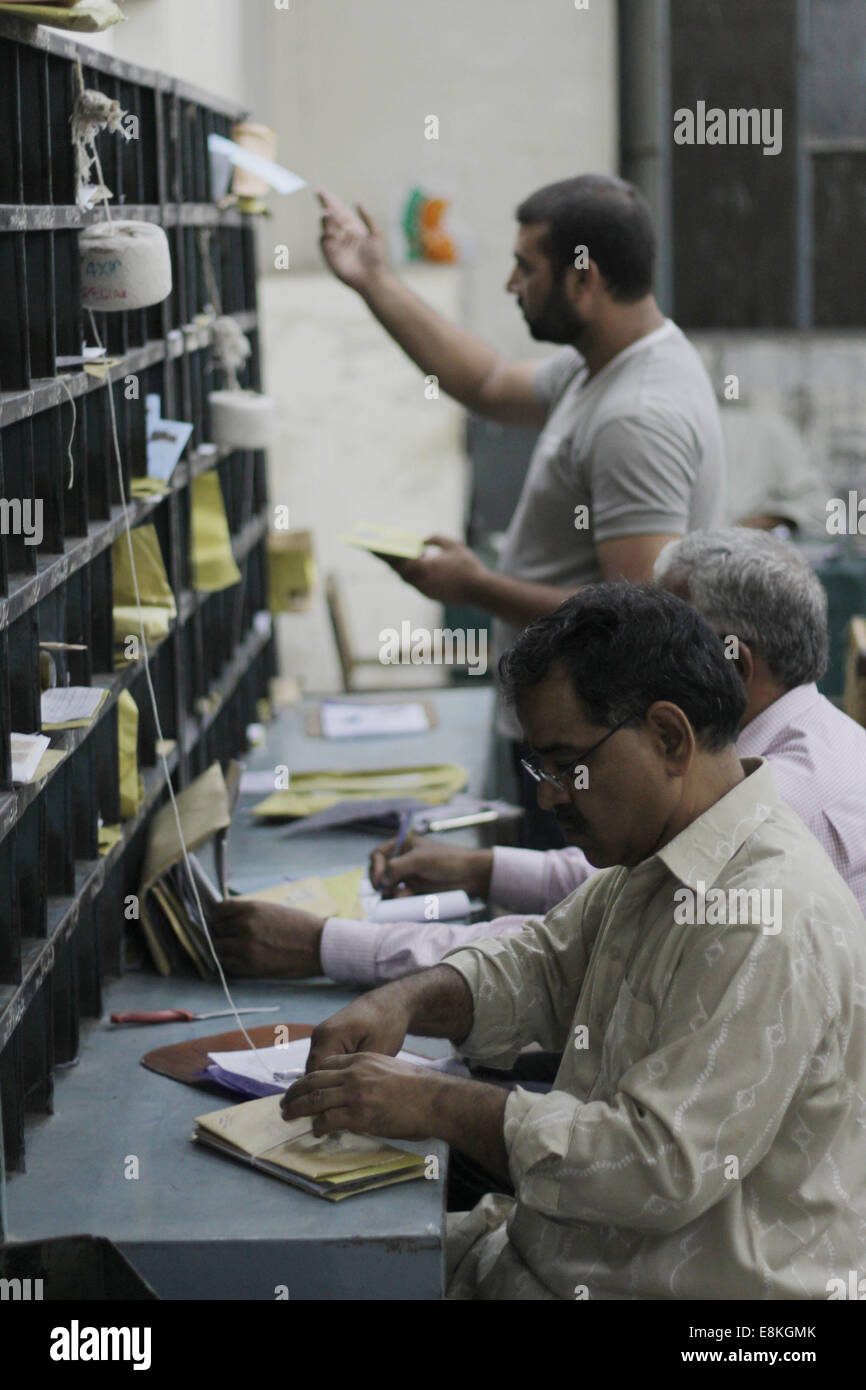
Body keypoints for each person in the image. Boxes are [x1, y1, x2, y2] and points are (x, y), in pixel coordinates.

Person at [280, 584, 866, 1299]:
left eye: (566, 764)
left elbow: (656, 1167)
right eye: (540, 768)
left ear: (669, 737)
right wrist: (407, 1000)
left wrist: (435, 1103)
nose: (550, 795)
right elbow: (544, 966)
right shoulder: (662, 855)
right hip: (556, 1261)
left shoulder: (770, 917)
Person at [210, 529, 866, 983]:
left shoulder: (775, 807)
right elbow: (604, 904)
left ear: (732, 664)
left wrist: (329, 945)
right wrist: (482, 868)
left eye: (668, 639)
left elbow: (582, 941)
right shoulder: (796, 745)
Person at [317, 175, 726, 843]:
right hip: (566, 736)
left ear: (584, 275)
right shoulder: (604, 366)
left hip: (592, 751)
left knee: (569, 924)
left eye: (525, 266)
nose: (512, 284)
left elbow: (632, 616)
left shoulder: (638, 414)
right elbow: (483, 381)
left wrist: (475, 587)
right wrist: (374, 280)